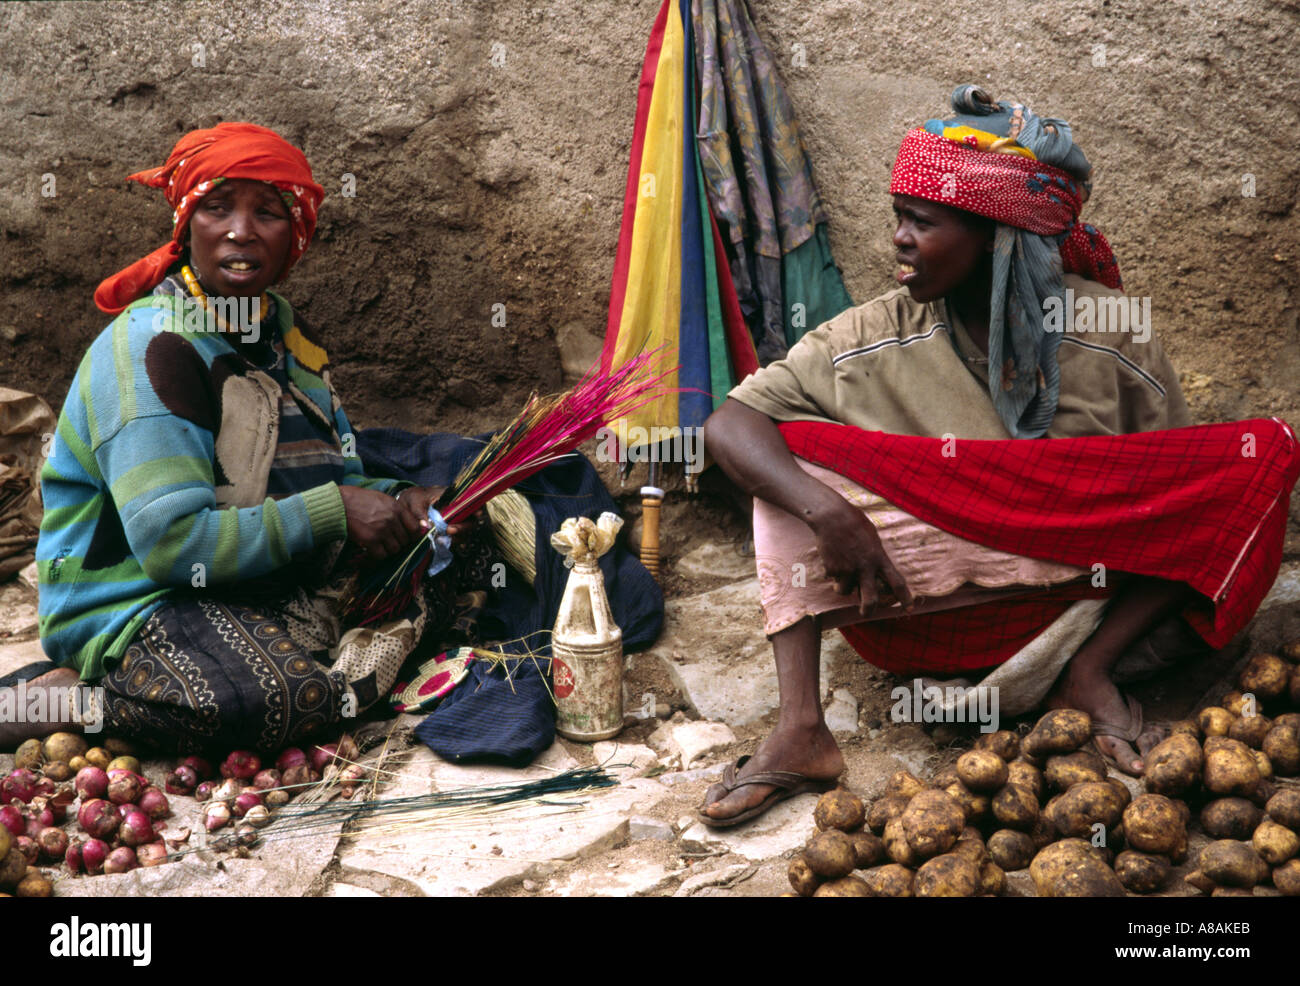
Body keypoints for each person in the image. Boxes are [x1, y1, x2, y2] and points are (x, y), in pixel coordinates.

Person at [698, 85, 1298, 826]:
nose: (900, 239)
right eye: (899, 218)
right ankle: (800, 729)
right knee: (792, 449)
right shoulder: (873, 336)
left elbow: (1171, 502)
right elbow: (728, 426)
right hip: (925, 620)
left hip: (1081, 608)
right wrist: (829, 513)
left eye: (922, 221)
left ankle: (1088, 675)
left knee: (1261, 457)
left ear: (999, 237)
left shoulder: (1107, 333)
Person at [10, 123, 471, 753]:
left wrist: (398, 499)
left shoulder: (282, 333)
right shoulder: (155, 350)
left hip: (261, 580)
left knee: (457, 556)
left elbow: (327, 468)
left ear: (295, 237)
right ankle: (63, 696)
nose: (240, 231)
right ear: (187, 225)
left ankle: (268, 654)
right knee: (280, 698)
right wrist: (337, 510)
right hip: (145, 600)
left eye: (268, 213)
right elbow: (174, 547)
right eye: (217, 208)